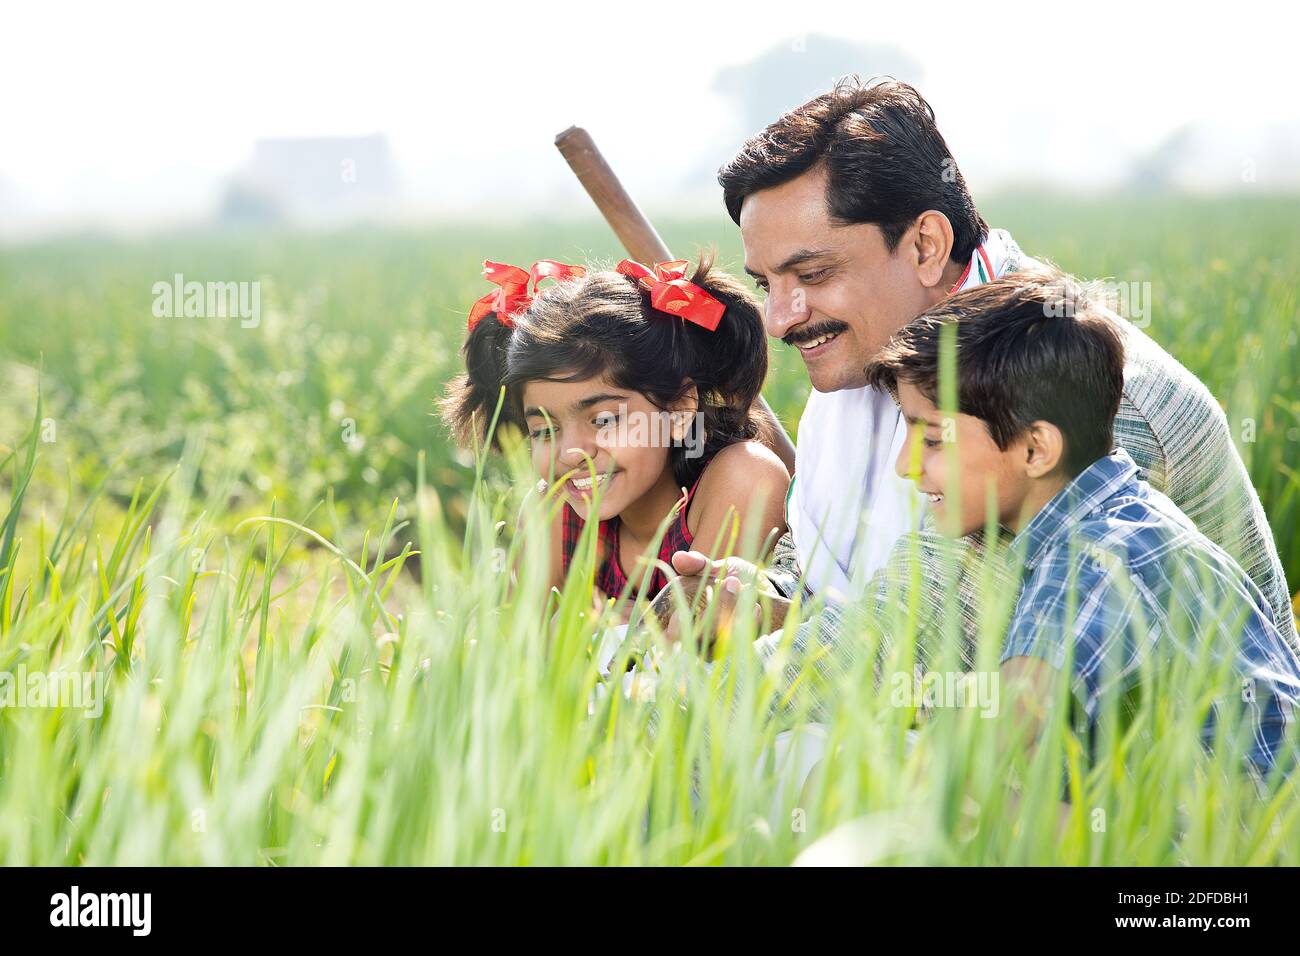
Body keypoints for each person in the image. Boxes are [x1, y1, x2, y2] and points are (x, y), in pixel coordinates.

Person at [666, 75, 1296, 658]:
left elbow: (922, 646)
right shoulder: (864, 358)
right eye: (766, 284)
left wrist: (649, 731)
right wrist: (764, 598)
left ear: (925, 245)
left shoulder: (1086, 396)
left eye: (811, 275)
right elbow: (820, 570)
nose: (779, 319)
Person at [858, 272, 1300, 776]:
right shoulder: (1114, 516)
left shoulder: (1098, 557)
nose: (905, 464)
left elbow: (987, 743)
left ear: (1036, 448)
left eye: (933, 439)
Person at [441, 254, 788, 615]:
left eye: (605, 421)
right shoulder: (554, 513)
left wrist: (587, 622)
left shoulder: (744, 478)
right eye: (545, 430)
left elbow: (697, 637)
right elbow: (523, 648)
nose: (572, 453)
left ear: (679, 409)